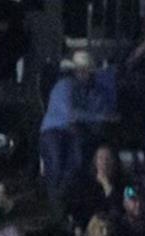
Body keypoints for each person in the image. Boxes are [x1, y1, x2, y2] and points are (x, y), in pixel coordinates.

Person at [38, 50, 116, 203]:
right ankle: (55, 200)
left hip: (76, 133)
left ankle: (65, 198)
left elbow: (102, 111)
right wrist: (100, 117)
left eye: (87, 71)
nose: (85, 74)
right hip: (54, 131)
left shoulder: (93, 92)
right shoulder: (65, 86)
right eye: (82, 70)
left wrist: (102, 117)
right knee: (56, 162)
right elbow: (70, 114)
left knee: (78, 162)